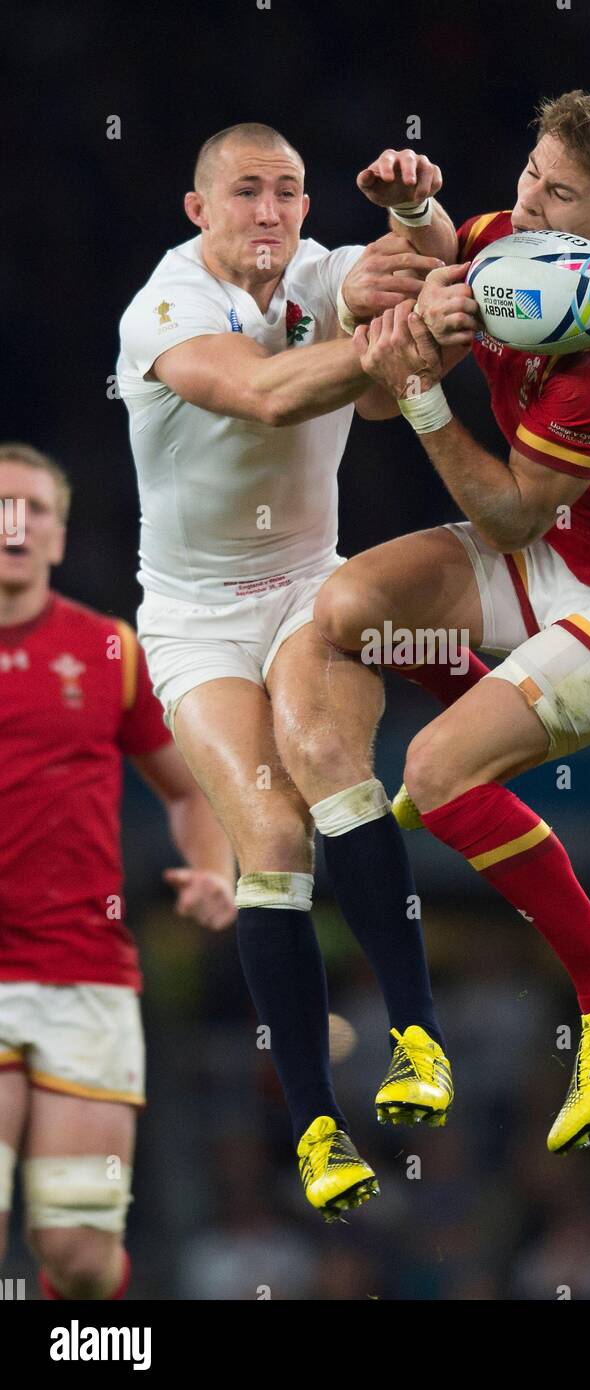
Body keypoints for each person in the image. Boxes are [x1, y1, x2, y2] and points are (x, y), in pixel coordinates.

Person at [315, 90, 590, 1154]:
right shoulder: (514, 240)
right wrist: (415, 220)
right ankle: (476, 765)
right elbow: (444, 268)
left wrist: (419, 393)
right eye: (531, 176)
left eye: (562, 195)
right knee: (351, 606)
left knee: (434, 773)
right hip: (563, 555)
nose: (532, 204)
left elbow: (507, 511)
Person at [116, 123, 454, 1221]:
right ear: (198, 209)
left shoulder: (319, 272)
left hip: (309, 585)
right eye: (246, 192)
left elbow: (424, 269)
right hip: (194, 623)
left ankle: (417, 1037)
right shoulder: (164, 309)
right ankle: (316, 1125)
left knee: (325, 756)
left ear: (308, 205)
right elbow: (265, 394)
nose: (269, 211)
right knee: (268, 840)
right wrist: (384, 343)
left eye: (289, 192)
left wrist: (416, 216)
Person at [0, 442, 237, 1299]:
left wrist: (212, 867)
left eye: (35, 509)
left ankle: (92, 1335)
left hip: (84, 978)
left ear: (59, 537)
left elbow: (191, 788)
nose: (15, 525)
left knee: (77, 1254)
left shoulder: (111, 652)